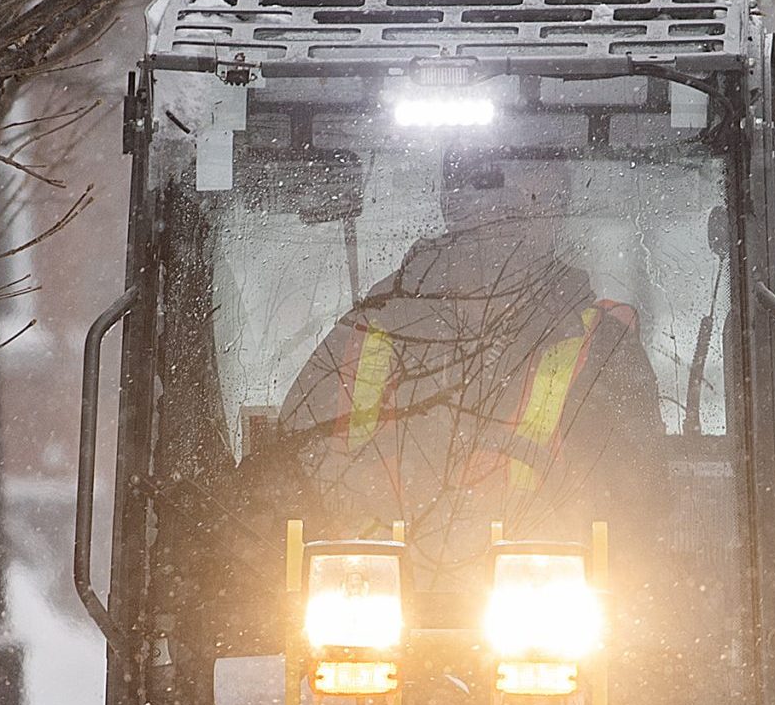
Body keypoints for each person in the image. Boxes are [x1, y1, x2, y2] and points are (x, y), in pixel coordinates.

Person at [268, 152, 664, 591]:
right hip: (369, 614)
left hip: (546, 619)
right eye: (498, 200)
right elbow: (296, 473)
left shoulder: (603, 347)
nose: (509, 222)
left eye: (538, 202)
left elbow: (634, 505)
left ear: (558, 216)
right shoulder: (369, 330)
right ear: (454, 208)